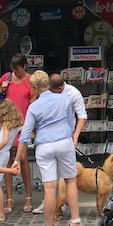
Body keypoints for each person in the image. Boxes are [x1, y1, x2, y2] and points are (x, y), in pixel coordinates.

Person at [14, 70, 90, 226]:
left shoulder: (33, 107)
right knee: (70, 181)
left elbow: (25, 136)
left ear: (34, 87)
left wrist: (17, 159)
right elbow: (71, 124)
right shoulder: (64, 99)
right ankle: (76, 222)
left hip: (44, 146)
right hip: (64, 142)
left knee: (49, 187)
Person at [33, 72, 87, 214]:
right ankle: (48, 203)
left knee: (68, 176)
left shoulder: (74, 94)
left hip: (65, 136)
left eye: (57, 91)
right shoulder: (48, 93)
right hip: (49, 136)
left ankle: (66, 204)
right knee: (49, 176)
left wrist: (75, 136)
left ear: (61, 87)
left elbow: (82, 116)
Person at [0, 53, 35, 212]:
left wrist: (31, 128)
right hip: (6, 122)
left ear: (24, 66)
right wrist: (2, 88)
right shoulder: (7, 77)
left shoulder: (31, 81)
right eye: (13, 69)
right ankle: (9, 198)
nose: (15, 72)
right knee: (7, 158)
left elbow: (33, 105)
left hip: (23, 124)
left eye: (18, 69)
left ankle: (28, 197)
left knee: (23, 158)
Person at [0, 98, 23, 222]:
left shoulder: (6, 123)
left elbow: (5, 140)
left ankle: (0, 213)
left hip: (0, 154)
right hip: (4, 153)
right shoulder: (15, 125)